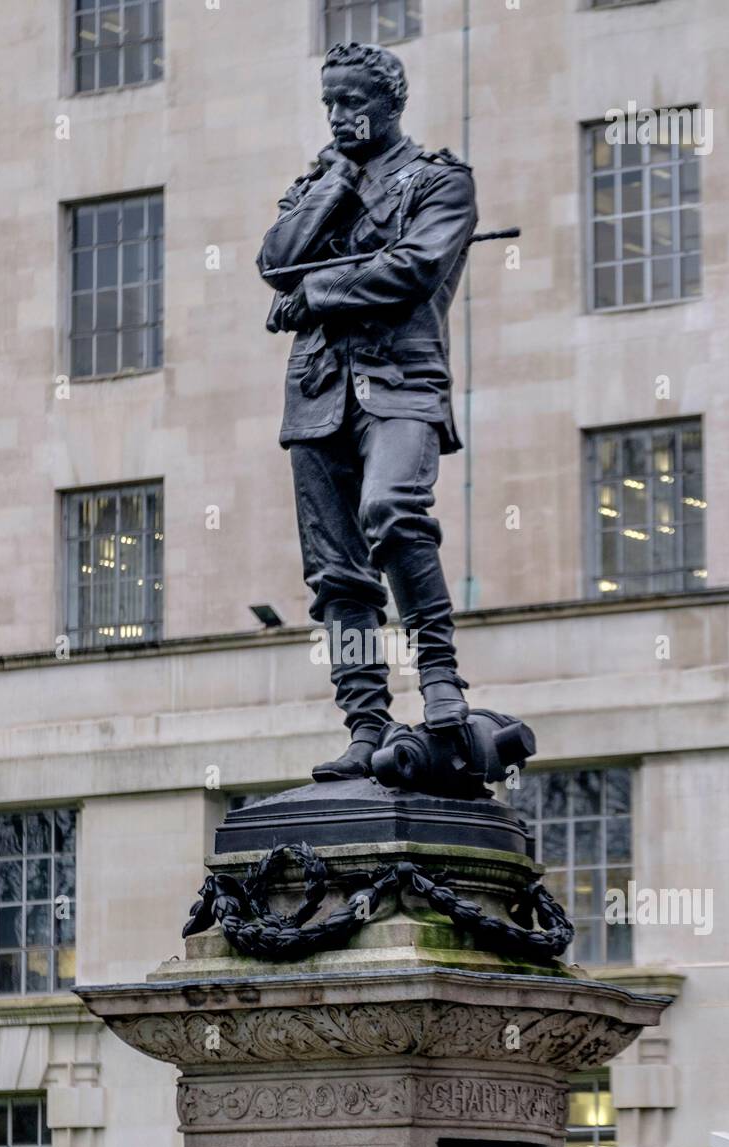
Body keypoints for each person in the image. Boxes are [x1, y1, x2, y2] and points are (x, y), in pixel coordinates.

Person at [257, 40, 478, 781]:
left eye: (353, 101)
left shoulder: (440, 180)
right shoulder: (321, 183)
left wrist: (319, 292)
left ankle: (441, 677)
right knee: (338, 579)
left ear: (391, 103)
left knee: (392, 512)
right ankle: (365, 723)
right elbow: (276, 259)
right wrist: (339, 182)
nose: (340, 114)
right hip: (319, 397)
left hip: (402, 384)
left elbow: (413, 271)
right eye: (330, 103)